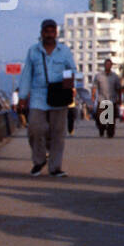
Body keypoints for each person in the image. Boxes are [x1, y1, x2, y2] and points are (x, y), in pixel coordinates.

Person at [16, 18, 77, 177]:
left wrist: (67, 85)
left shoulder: (64, 51)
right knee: (35, 129)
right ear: (42, 33)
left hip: (59, 95)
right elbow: (27, 74)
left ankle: (55, 167)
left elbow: (73, 70)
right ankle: (39, 160)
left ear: (56, 33)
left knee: (58, 133)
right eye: (46, 31)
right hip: (38, 95)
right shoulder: (33, 51)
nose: (49, 34)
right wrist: (22, 97)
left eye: (52, 31)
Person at [93, 58, 122, 139]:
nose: (108, 66)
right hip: (101, 99)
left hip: (112, 100)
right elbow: (94, 87)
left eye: (109, 64)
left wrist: (120, 98)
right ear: (104, 65)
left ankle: (110, 133)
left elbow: (118, 88)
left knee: (111, 119)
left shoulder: (115, 76)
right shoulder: (98, 76)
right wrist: (93, 96)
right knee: (100, 119)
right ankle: (101, 129)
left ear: (111, 66)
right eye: (106, 64)